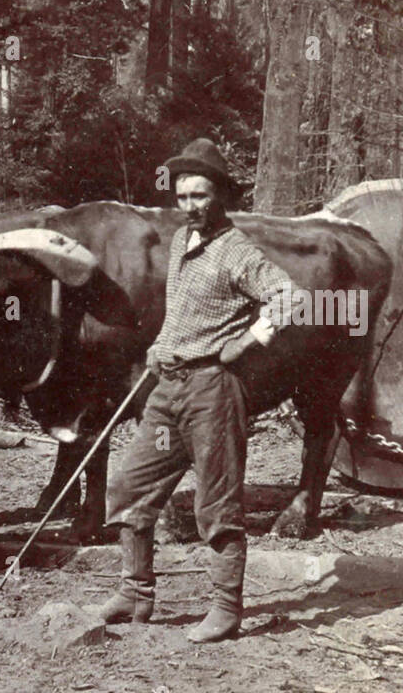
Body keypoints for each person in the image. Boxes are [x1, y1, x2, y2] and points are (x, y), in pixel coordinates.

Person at [101, 139, 294, 642]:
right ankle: (135, 591)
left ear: (221, 195)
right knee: (130, 486)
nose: (190, 205)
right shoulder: (180, 243)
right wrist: (161, 345)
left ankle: (226, 610)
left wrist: (247, 342)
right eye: (183, 196)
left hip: (213, 393)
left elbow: (290, 297)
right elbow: (181, 312)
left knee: (217, 503)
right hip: (167, 392)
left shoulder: (237, 252)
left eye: (200, 195)